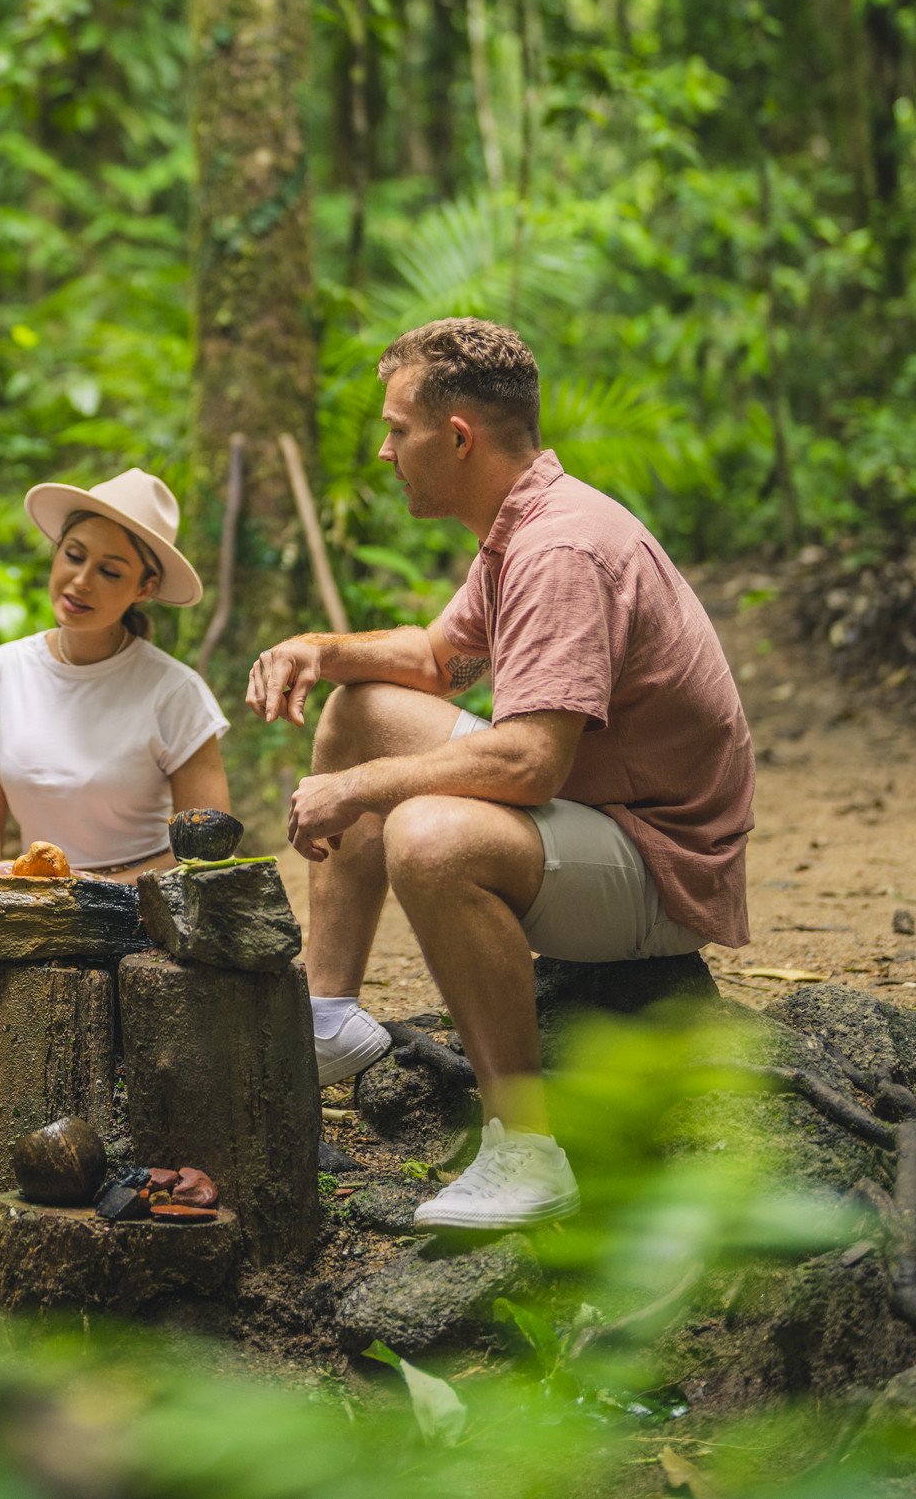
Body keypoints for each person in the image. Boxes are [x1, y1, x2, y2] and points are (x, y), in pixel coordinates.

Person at [248, 318, 754, 1232]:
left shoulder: (561, 548)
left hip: (660, 861)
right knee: (359, 708)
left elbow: (529, 760)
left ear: (459, 437)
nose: (384, 448)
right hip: (594, 811)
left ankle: (525, 1149)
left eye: (398, 429)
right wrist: (320, 649)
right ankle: (327, 1017)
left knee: (429, 837)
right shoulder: (519, 520)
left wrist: (357, 790)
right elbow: (441, 657)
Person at [0, 469, 230, 879]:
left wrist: (95, 895)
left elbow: (208, 847)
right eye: (74, 555)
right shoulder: (4, 671)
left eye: (110, 572)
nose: (81, 582)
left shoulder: (174, 692)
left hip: (141, 903)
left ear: (145, 587)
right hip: (32, 900)